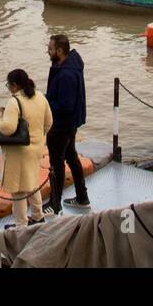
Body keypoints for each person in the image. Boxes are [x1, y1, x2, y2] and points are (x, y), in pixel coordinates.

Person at [0, 69, 53, 228]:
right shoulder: (40, 96)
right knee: (32, 183)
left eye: (8, 85)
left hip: (18, 153)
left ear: (14, 86)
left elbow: (7, 128)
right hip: (36, 149)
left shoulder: (14, 102)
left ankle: (21, 226)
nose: (8, 88)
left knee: (18, 190)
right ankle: (38, 216)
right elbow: (49, 122)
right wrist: (38, 138)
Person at [44, 35, 89, 214]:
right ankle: (82, 196)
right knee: (71, 157)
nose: (48, 52)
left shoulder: (66, 75)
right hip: (71, 123)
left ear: (60, 51)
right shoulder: (69, 65)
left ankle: (55, 204)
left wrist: (44, 102)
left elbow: (65, 105)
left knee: (57, 163)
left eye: (50, 49)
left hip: (61, 125)